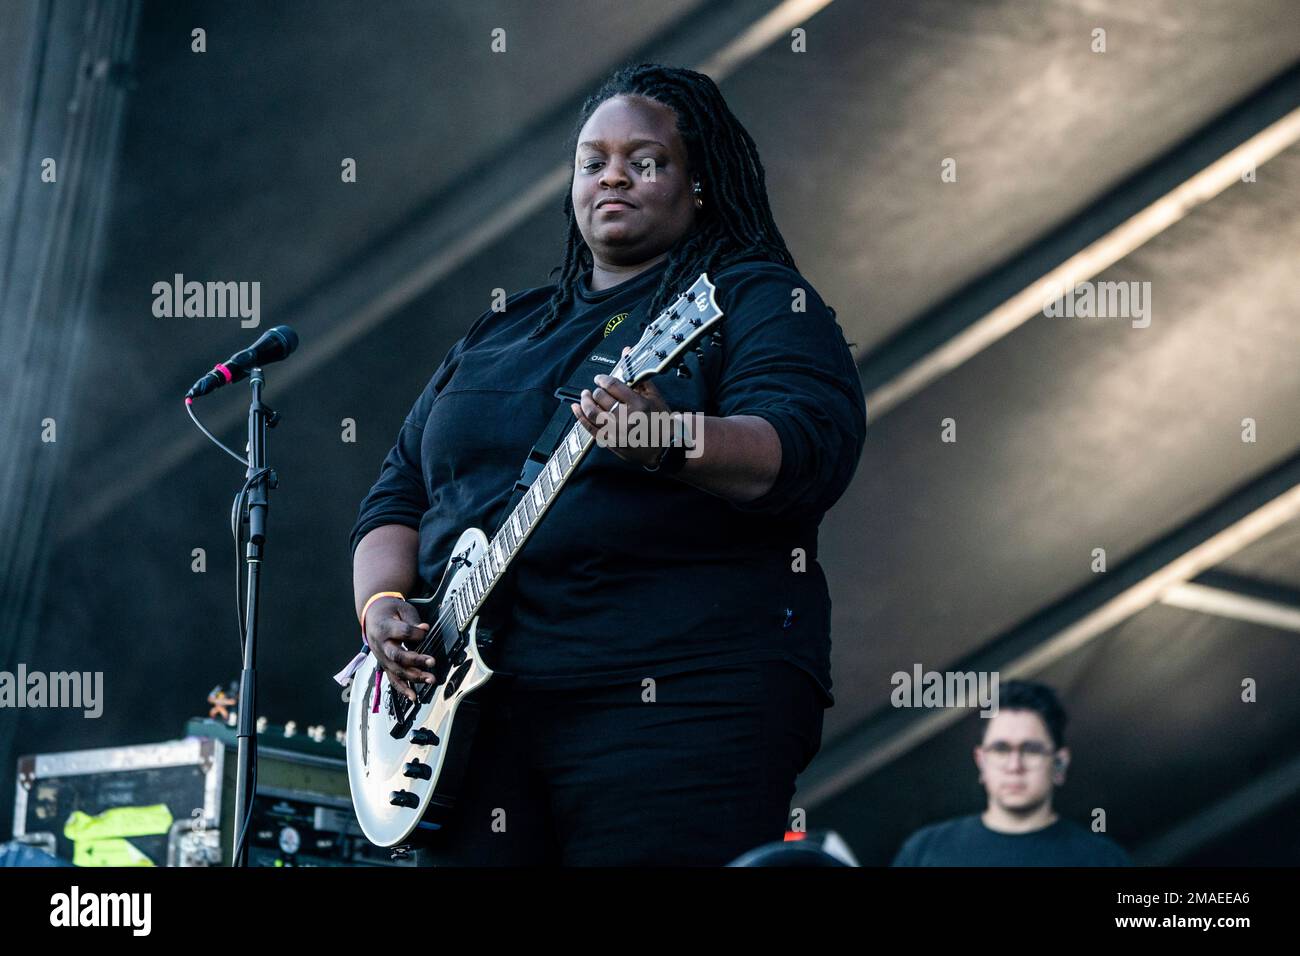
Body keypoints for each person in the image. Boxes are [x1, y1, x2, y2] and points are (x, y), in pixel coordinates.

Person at [347, 63, 867, 865]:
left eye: (647, 160)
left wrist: (677, 443)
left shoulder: (752, 299)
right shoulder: (502, 330)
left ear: (700, 184)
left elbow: (804, 448)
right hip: (475, 721)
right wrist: (382, 604)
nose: (613, 175)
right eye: (593, 162)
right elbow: (398, 494)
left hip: (678, 701)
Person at [891, 680, 1132, 866]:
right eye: (1001, 749)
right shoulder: (924, 851)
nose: (1014, 766)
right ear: (981, 760)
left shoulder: (1102, 859)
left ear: (1059, 763)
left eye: (1031, 750)